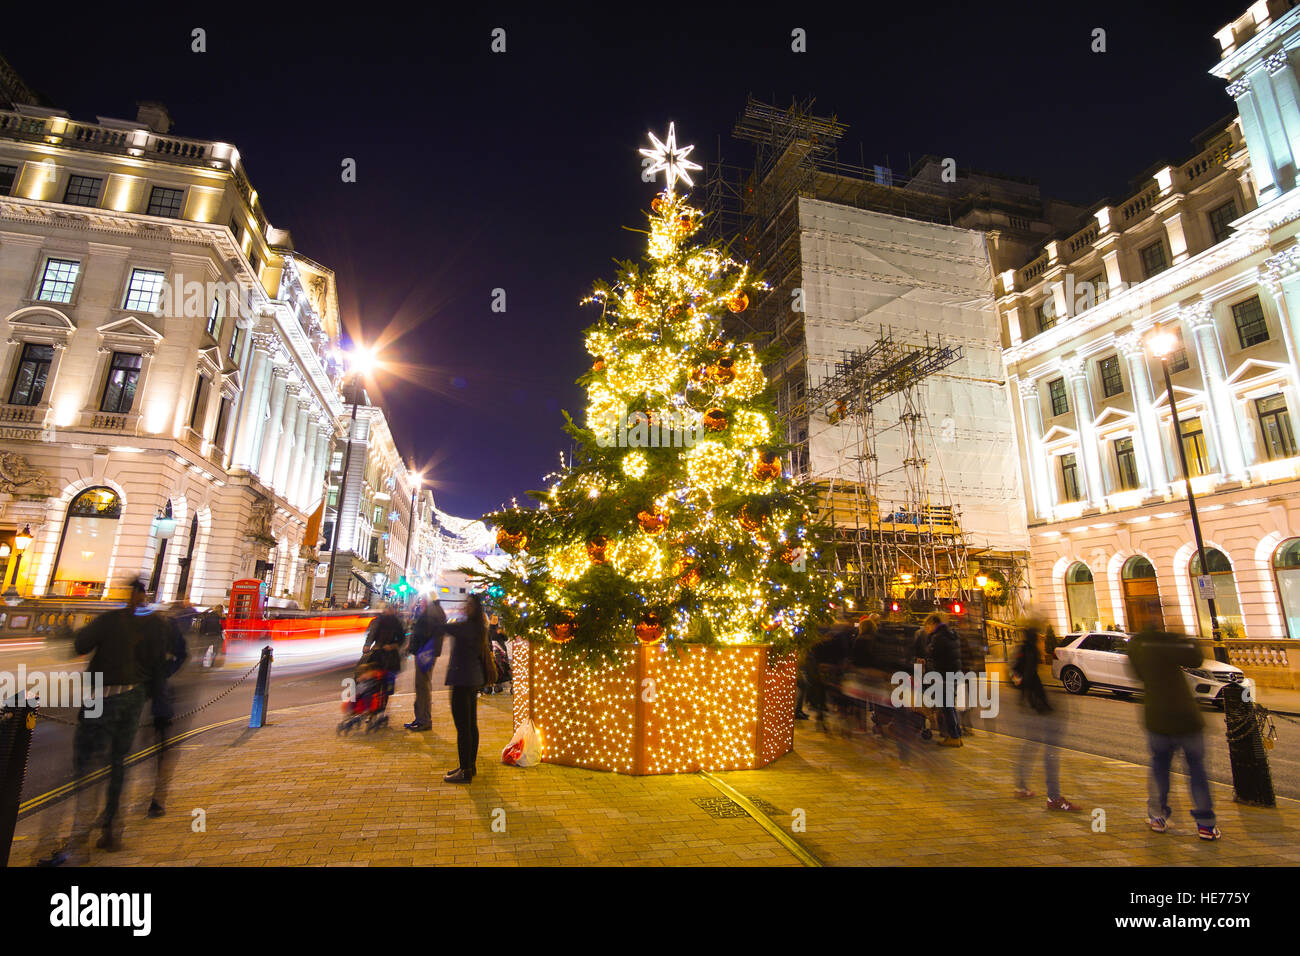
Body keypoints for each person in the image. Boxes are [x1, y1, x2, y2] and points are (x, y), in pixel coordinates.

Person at [40, 580, 168, 864]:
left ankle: (79, 839)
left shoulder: (109, 620)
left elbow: (78, 646)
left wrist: (64, 630)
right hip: (134, 696)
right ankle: (112, 828)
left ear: (128, 595)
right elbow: (160, 664)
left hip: (101, 695)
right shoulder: (156, 625)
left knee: (86, 765)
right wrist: (155, 698)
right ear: (144, 595)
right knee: (118, 763)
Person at [1127, 626, 1220, 840]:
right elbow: (1195, 657)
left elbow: (1137, 673)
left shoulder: (1137, 646)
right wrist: (1178, 634)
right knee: (1196, 770)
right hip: (1185, 717)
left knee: (1160, 767)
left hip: (1157, 716)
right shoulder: (1171, 642)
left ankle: (1158, 817)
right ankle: (1205, 824)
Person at [1011, 622, 1078, 810]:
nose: (1043, 642)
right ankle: (1053, 797)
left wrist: (1022, 689)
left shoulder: (1022, 650)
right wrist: (1039, 702)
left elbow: (1017, 676)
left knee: (1031, 747)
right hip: (1037, 708)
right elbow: (1028, 677)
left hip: (1031, 706)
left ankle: (1022, 786)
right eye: (1041, 638)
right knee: (1050, 752)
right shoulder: (1030, 652)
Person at [440, 594, 496, 783]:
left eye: (469, 604)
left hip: (463, 681)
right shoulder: (478, 627)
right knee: (471, 724)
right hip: (471, 680)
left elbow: (444, 627)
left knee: (464, 726)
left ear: (475, 608)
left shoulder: (468, 627)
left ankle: (465, 770)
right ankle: (469, 766)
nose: (466, 607)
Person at [148, 610, 189, 817]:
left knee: (161, 749)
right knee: (160, 750)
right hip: (150, 697)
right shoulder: (165, 623)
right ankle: (156, 798)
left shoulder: (161, 623)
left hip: (150, 697)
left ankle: (156, 797)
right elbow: (181, 654)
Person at [921, 612, 964, 747]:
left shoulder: (938, 637)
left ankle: (954, 736)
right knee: (951, 706)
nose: (926, 629)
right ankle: (957, 735)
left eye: (927, 626)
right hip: (954, 674)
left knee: (947, 706)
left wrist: (929, 645)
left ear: (933, 624)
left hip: (944, 675)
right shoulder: (952, 634)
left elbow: (932, 654)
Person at [405, 599, 446, 731]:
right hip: (428, 651)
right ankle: (420, 718)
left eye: (423, 600)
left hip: (425, 653)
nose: (420, 602)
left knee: (422, 685)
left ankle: (424, 720)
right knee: (422, 685)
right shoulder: (436, 610)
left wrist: (414, 627)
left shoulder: (431, 612)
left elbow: (423, 632)